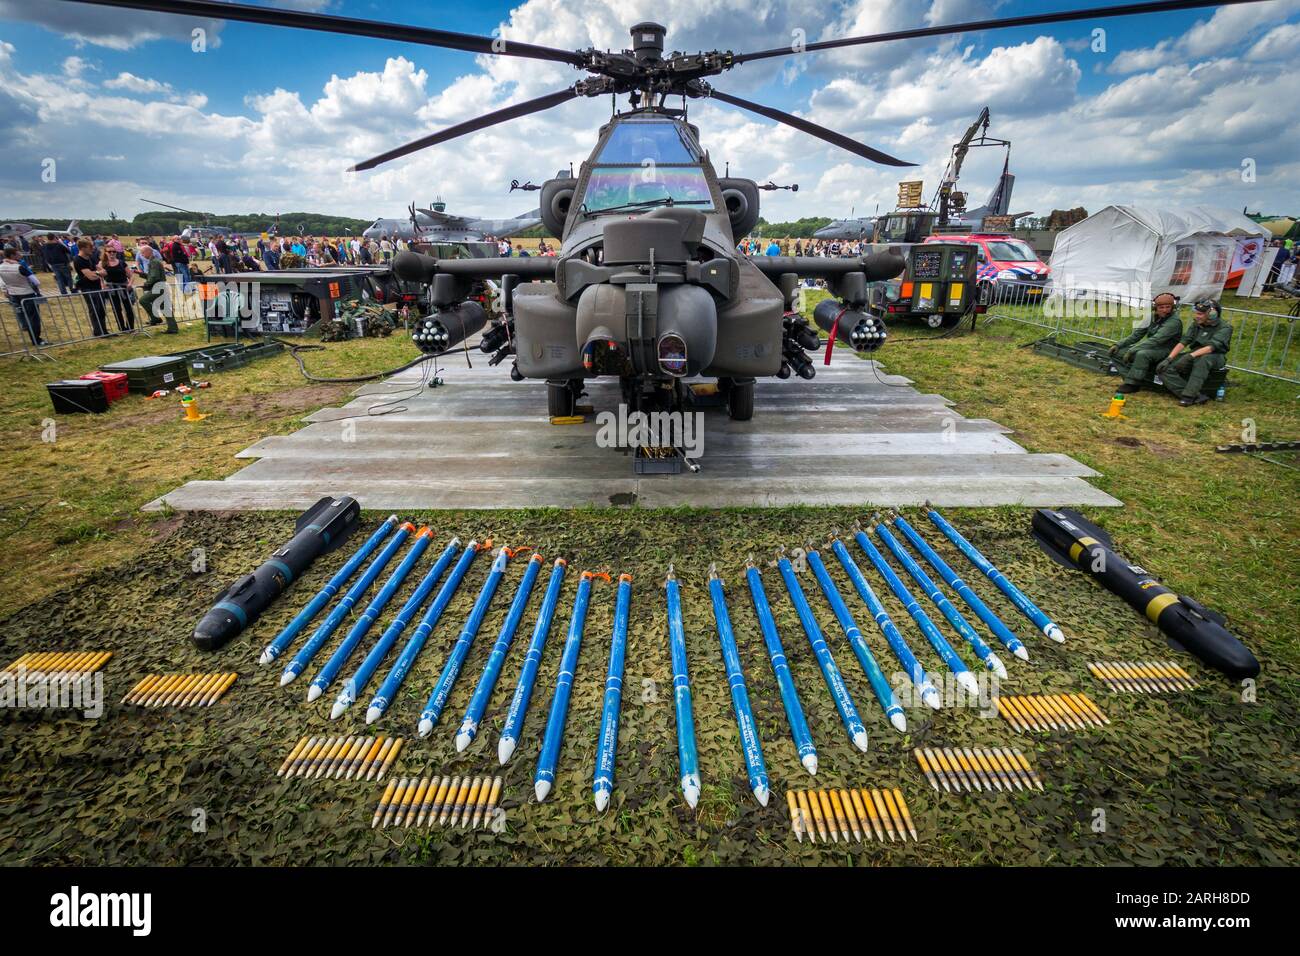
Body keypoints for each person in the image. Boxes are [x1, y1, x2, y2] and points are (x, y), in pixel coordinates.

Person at [1158, 299, 1232, 406]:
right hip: (1195, 353)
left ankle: (1189, 396)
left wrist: (1189, 356)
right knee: (1164, 368)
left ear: (1212, 314)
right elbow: (1184, 342)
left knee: (1202, 361)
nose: (1197, 316)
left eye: (1200, 314)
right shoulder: (1196, 324)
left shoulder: (1225, 328)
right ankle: (1196, 396)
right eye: (1196, 313)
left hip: (1215, 356)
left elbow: (1211, 347)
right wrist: (1169, 359)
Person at [1110, 292, 1183, 393]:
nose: (1165, 310)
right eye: (1161, 307)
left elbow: (1157, 339)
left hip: (1166, 350)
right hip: (1152, 346)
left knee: (1142, 354)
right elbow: (1136, 335)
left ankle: (1132, 384)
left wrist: (1132, 350)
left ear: (1172, 307)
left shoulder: (1174, 322)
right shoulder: (1150, 317)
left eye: (1168, 307)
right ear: (1155, 308)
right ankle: (1132, 378)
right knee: (1117, 352)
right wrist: (1118, 344)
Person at [1, 245, 46, 346]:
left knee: (21, 313)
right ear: (12, 255)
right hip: (26, 293)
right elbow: (36, 281)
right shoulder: (19, 267)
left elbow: (2, 282)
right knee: (33, 317)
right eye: (17, 254)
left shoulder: (1, 267)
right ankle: (36, 339)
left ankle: (25, 327)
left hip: (13, 293)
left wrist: (5, 289)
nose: (19, 255)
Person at [134, 242, 176, 333]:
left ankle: (155, 318)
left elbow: (154, 277)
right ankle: (173, 328)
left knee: (143, 300)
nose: (141, 255)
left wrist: (146, 284)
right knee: (165, 308)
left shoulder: (154, 262)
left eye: (143, 253)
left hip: (158, 286)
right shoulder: (155, 261)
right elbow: (152, 275)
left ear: (148, 252)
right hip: (160, 286)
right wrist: (140, 274)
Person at [73, 237, 108, 336]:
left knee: (101, 309)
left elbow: (103, 272)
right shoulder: (78, 260)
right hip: (88, 288)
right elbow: (91, 277)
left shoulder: (91, 258)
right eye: (90, 247)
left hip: (97, 287)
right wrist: (97, 273)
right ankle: (98, 331)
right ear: (83, 248)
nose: (93, 248)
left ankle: (104, 330)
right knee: (94, 309)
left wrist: (96, 273)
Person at [99, 246, 135, 331]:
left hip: (124, 288)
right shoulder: (102, 264)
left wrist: (130, 284)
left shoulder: (122, 262)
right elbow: (100, 277)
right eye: (109, 251)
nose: (112, 253)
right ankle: (122, 328)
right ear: (105, 253)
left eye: (114, 251)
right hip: (112, 289)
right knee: (116, 309)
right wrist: (103, 286)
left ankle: (130, 328)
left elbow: (131, 275)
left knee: (129, 308)